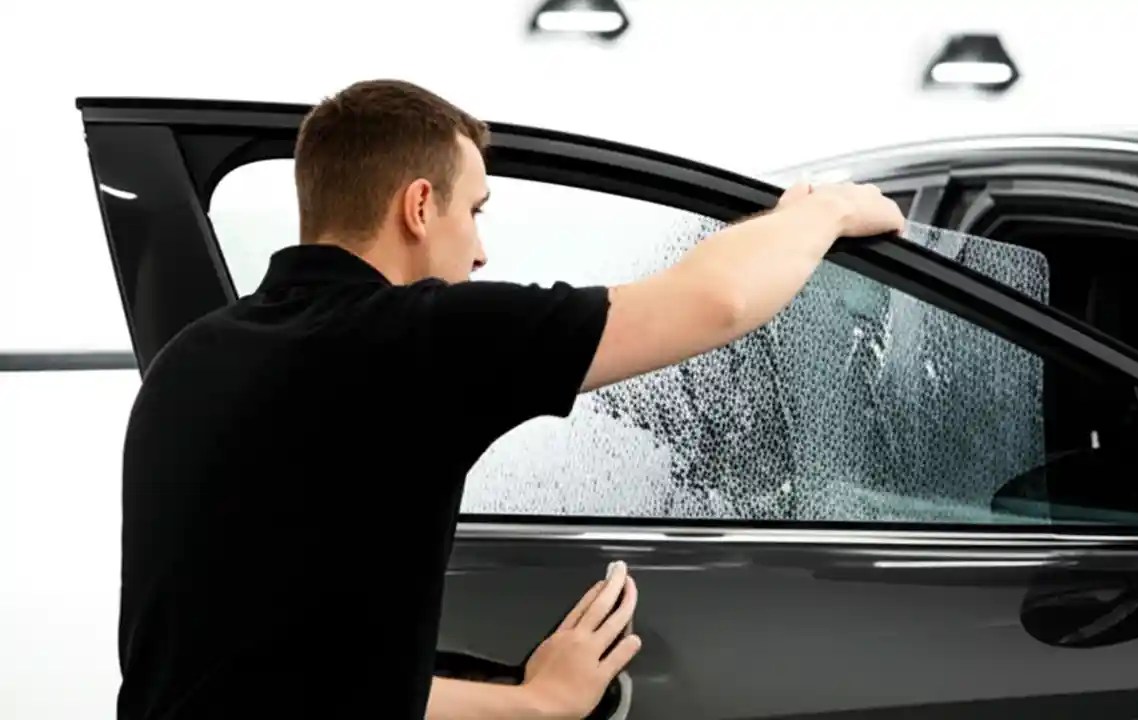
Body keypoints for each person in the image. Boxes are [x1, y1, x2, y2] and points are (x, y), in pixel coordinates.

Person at [115, 78, 905, 720]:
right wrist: (825, 212)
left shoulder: (190, 361)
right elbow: (717, 301)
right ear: (420, 207)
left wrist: (534, 704)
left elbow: (286, 678)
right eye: (475, 210)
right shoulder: (419, 339)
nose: (483, 248)